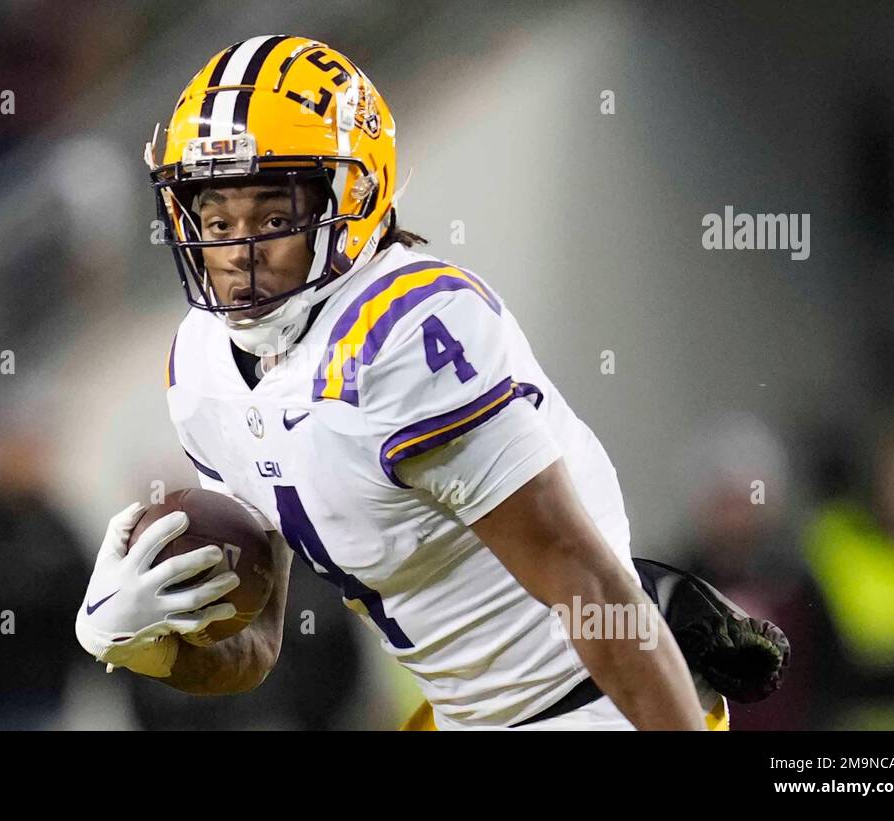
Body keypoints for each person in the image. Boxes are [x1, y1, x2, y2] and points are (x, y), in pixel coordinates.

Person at [75, 35, 705, 730]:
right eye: (217, 219)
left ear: (352, 198)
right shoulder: (201, 365)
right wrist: (138, 644)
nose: (239, 252)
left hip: (591, 706)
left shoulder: (407, 334)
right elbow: (255, 649)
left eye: (273, 217)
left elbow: (584, 579)